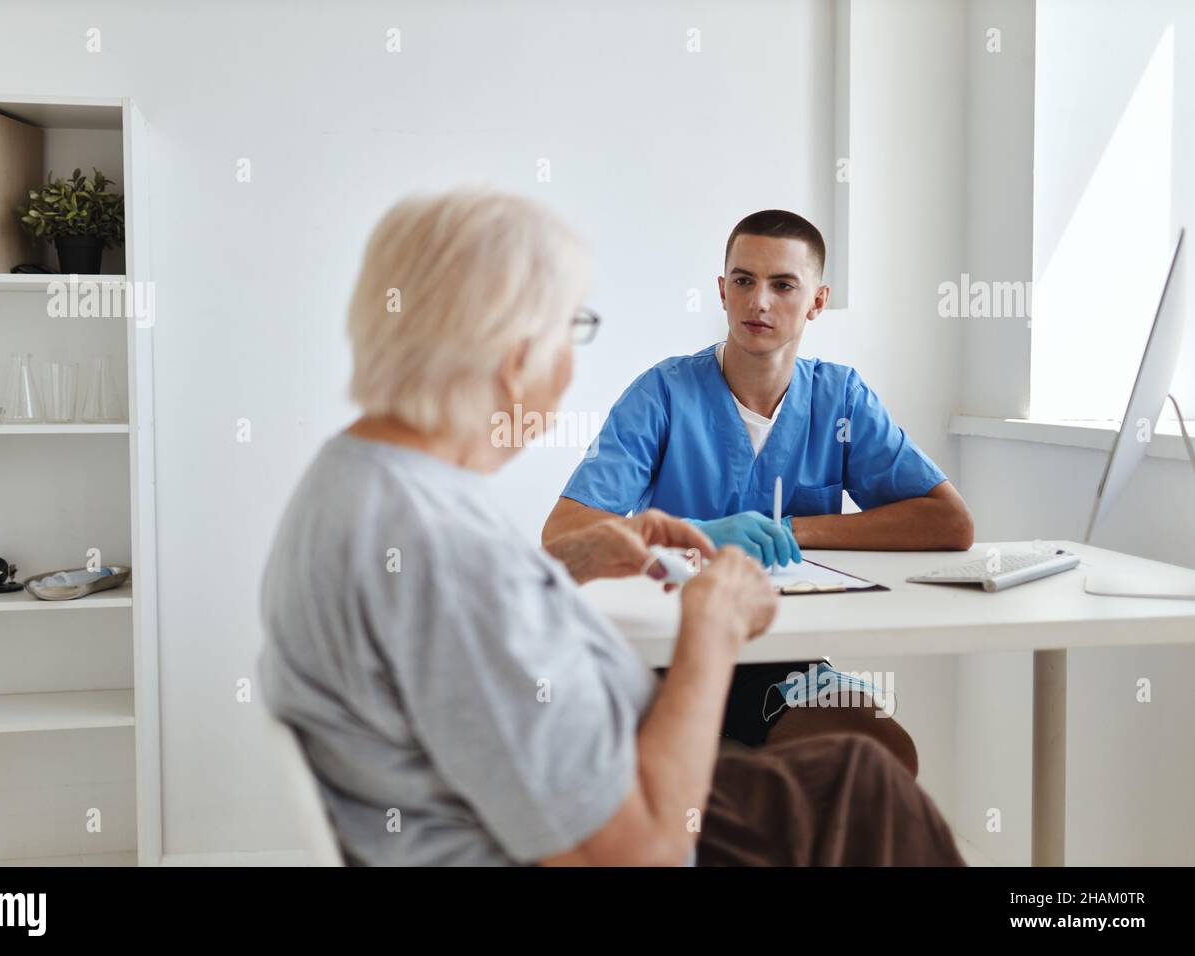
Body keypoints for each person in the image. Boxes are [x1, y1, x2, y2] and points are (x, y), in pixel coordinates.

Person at [258, 188, 964, 866]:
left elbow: (468, 638)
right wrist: (711, 631)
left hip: (547, 803)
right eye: (573, 329)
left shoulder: (356, 480)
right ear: (515, 356)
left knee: (862, 761)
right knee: (862, 787)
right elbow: (634, 854)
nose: (569, 369)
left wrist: (565, 567)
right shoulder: (435, 539)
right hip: (596, 833)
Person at [542, 210, 975, 773]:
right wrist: (696, 538)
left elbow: (949, 523)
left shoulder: (840, 399)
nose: (759, 302)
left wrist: (795, 531)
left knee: (882, 760)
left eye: (783, 285)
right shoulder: (663, 394)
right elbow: (562, 531)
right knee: (628, 772)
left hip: (778, 661)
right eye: (743, 281)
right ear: (723, 292)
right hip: (660, 650)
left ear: (817, 301)